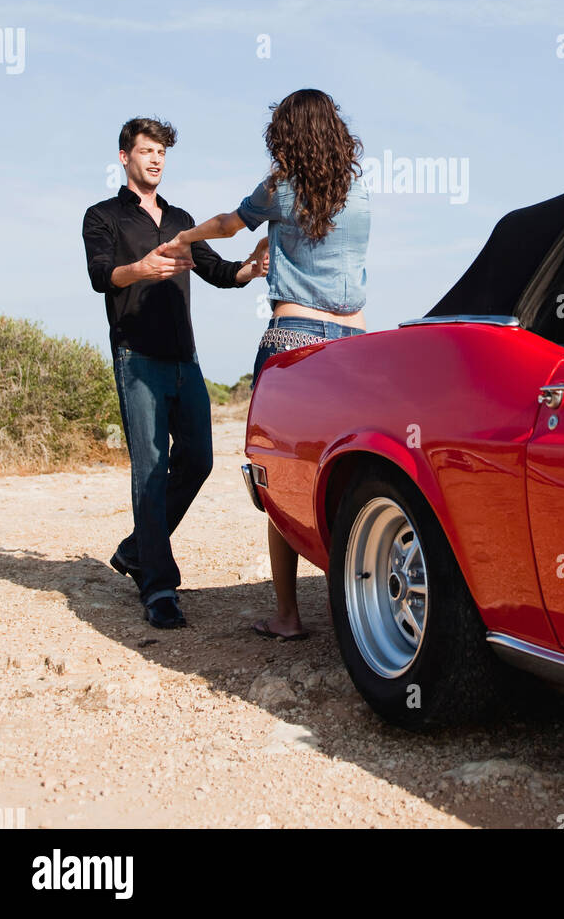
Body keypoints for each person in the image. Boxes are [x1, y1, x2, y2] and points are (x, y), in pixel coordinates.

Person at [160, 88, 369, 640]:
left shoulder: (280, 188)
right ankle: (353, 605)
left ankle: (288, 616)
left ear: (287, 134)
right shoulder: (361, 191)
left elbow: (231, 224)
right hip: (354, 341)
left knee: (277, 472)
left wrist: (185, 236)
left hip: (294, 337)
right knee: (340, 469)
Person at [82, 117, 269, 629]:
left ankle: (136, 550)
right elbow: (103, 276)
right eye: (147, 151)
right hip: (136, 358)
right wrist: (139, 269)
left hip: (185, 359)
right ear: (125, 157)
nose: (156, 159)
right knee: (149, 468)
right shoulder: (103, 217)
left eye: (162, 151)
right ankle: (159, 588)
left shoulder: (181, 220)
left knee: (200, 460)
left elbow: (216, 271)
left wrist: (250, 270)